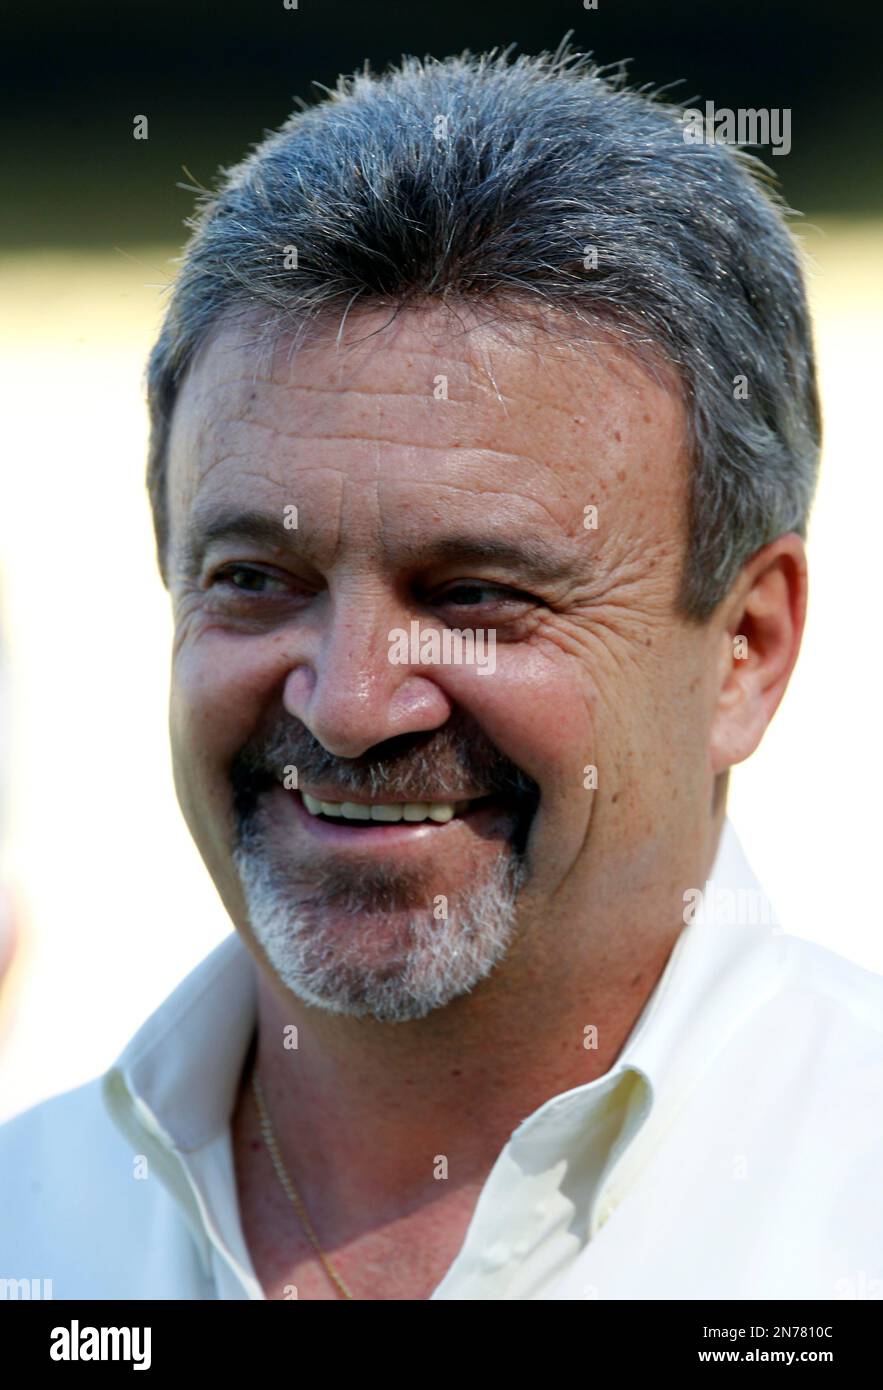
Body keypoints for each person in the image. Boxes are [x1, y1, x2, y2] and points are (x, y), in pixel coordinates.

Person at [2, 41, 881, 1302]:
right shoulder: (31, 1238)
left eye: (474, 595)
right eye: (257, 579)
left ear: (747, 648)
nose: (350, 702)